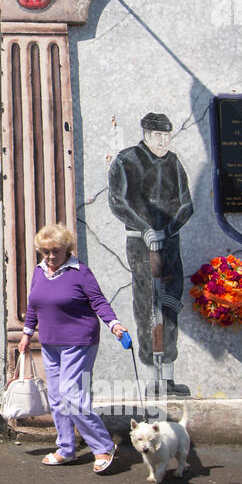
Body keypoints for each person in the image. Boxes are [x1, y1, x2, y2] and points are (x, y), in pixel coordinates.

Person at [18, 223, 128, 474]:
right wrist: (26, 333)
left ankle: (103, 446)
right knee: (57, 398)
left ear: (67, 249)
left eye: (55, 251)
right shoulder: (39, 271)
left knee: (72, 396)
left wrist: (114, 324)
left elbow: (98, 301)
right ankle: (66, 448)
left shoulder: (80, 272)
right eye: (45, 251)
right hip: (50, 342)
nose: (50, 256)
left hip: (79, 340)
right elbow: (34, 304)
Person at [107, 112, 194, 396]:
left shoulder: (173, 162)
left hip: (169, 241)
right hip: (139, 242)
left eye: (167, 136)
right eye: (157, 136)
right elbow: (117, 201)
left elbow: (186, 205)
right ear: (145, 134)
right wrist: (145, 229)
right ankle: (150, 378)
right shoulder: (126, 160)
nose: (163, 141)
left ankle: (167, 377)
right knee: (146, 305)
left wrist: (166, 230)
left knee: (170, 304)